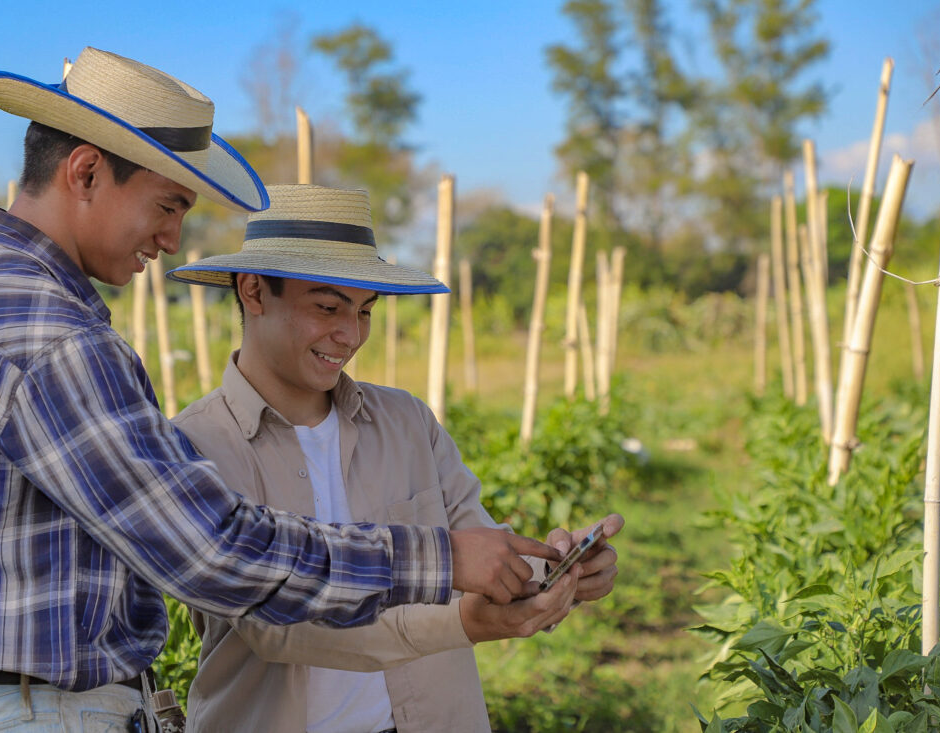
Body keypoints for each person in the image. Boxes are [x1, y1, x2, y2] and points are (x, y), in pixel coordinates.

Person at [0, 47, 560, 732]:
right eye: (168, 205)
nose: (173, 239)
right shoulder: (43, 326)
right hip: (45, 713)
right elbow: (210, 550)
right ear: (86, 171)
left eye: (365, 309)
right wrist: (439, 558)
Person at [167, 184, 624, 733]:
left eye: (364, 311)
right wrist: (464, 623)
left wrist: (555, 572)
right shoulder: (194, 448)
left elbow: (474, 548)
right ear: (254, 291)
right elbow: (276, 627)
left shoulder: (406, 422)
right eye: (328, 307)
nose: (350, 334)